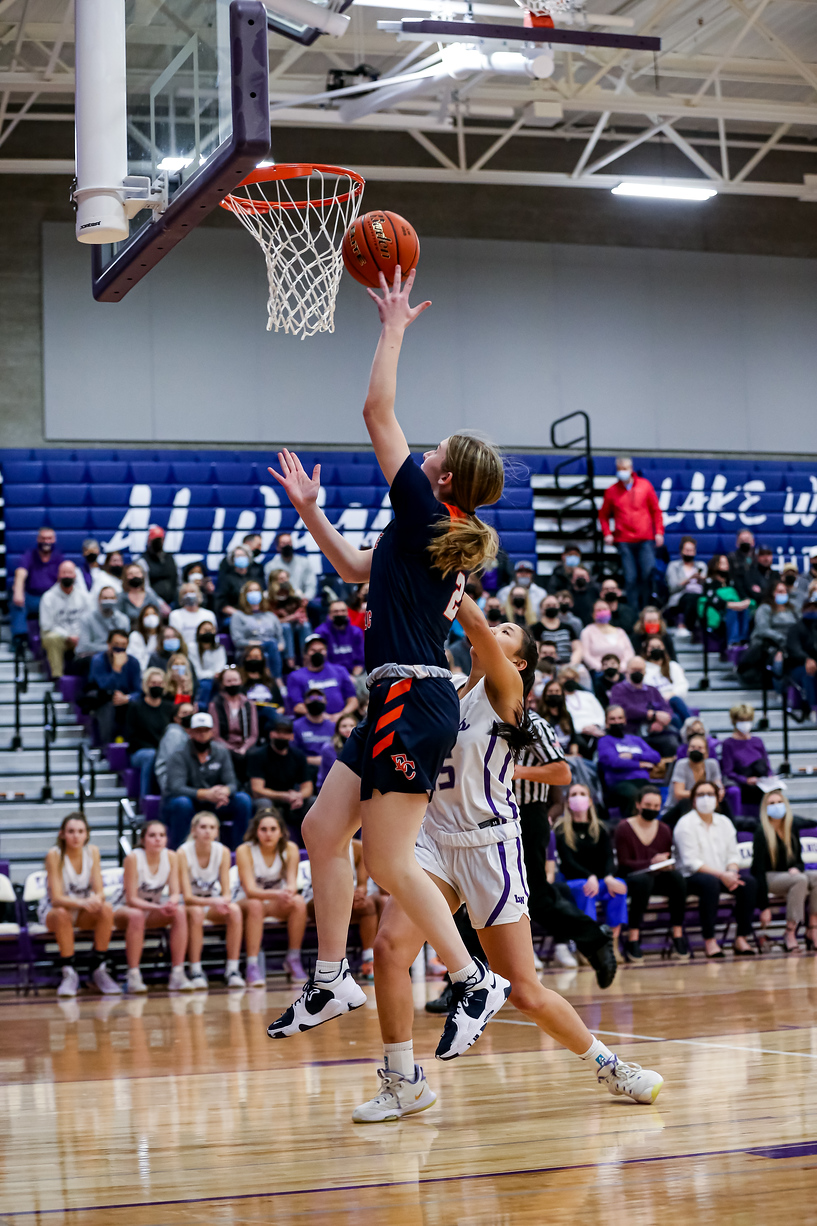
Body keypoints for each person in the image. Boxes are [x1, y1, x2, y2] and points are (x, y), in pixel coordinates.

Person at [267, 268, 512, 1052]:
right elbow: (351, 568)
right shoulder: (422, 531)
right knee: (321, 829)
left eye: (433, 450)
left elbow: (376, 412)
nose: (423, 450)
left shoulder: (428, 510)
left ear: (446, 476)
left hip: (413, 696)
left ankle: (473, 977)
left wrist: (393, 326)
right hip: (395, 696)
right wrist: (311, 513)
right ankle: (331, 977)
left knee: (387, 857)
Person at [352, 595, 659, 1121]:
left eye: (507, 630)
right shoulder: (445, 689)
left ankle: (611, 1066)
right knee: (388, 949)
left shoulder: (506, 693)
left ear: (517, 662)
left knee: (524, 991)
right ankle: (403, 1081)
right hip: (433, 841)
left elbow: (471, 621)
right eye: (496, 624)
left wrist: (443, 572)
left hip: (489, 846)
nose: (494, 628)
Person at [513, 696, 618, 986]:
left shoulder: (533, 724)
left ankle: (593, 938)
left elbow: (562, 772)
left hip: (527, 815)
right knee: (480, 897)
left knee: (536, 896)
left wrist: (515, 771)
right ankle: (464, 981)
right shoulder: (481, 720)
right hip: (491, 816)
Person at [673, 780, 758, 957]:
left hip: (723, 875)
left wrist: (732, 873)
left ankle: (741, 938)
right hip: (692, 877)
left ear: (717, 799)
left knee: (748, 884)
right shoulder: (685, 824)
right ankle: (709, 940)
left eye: (710, 794)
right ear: (693, 800)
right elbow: (691, 862)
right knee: (709, 884)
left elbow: (733, 854)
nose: (706, 799)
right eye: (701, 795)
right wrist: (722, 875)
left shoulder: (724, 822)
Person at [39, 813, 121, 997]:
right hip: (54, 912)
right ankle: (69, 972)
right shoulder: (54, 855)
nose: (76, 836)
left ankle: (98, 969)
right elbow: (56, 898)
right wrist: (84, 902)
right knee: (62, 913)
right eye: (71, 831)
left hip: (82, 910)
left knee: (106, 909)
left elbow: (100, 891)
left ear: (87, 834)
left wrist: (96, 899)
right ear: (62, 834)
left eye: (80, 831)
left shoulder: (93, 852)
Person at [113, 820, 193, 993]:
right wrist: (158, 908)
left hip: (150, 909)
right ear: (143, 840)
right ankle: (133, 975)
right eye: (152, 835)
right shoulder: (133, 858)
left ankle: (178, 974)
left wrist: (171, 903)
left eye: (162, 835)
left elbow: (175, 892)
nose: (158, 839)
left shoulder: (171, 857)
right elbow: (131, 899)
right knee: (136, 915)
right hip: (122, 909)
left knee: (179, 911)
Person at [614, 786, 689, 961]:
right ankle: (633, 936)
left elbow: (665, 857)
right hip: (631, 879)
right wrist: (651, 863)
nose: (652, 809)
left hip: (655, 877)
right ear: (638, 804)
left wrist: (665, 864)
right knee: (643, 881)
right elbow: (624, 863)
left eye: (656, 806)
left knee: (677, 879)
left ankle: (677, 933)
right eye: (648, 805)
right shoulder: (624, 828)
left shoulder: (664, 829)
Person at [235, 809, 307, 985]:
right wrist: (278, 893)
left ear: (281, 832)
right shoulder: (244, 850)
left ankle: (293, 958)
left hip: (274, 902)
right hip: (246, 901)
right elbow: (250, 890)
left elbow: (292, 883)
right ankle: (252, 965)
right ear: (256, 831)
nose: (268, 834)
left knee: (298, 902)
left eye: (273, 829)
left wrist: (288, 892)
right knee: (255, 904)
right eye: (263, 829)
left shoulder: (290, 848)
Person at [162, 712, 252, 849]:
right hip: (190, 802)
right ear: (190, 732)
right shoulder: (179, 753)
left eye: (206, 730)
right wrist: (206, 794)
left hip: (215, 802)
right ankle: (179, 850)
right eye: (198, 731)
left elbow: (232, 783)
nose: (202, 735)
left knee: (243, 800)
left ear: (212, 732)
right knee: (182, 803)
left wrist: (224, 791)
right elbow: (176, 787)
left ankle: (239, 849)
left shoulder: (221, 751)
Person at [554, 783, 628, 949]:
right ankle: (589, 945)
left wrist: (608, 877)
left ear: (590, 801)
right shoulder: (561, 829)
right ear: (567, 802)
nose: (578, 797)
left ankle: (612, 943)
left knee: (619, 886)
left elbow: (609, 857)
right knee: (586, 889)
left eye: (582, 794)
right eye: (574, 794)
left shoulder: (600, 828)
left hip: (600, 880)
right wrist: (590, 876)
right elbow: (568, 863)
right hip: (574, 881)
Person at [177, 811, 246, 988]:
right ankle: (196, 970)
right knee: (197, 913)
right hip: (188, 905)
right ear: (194, 830)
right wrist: (215, 901)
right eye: (203, 827)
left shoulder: (223, 851)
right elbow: (188, 897)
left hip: (211, 901)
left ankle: (232, 969)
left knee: (234, 910)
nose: (207, 831)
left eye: (212, 827)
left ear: (217, 832)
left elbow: (227, 892)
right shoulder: (182, 853)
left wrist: (223, 901)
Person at [751, 790, 817, 953]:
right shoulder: (761, 832)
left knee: (815, 877)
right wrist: (764, 907)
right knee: (800, 880)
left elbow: (799, 861)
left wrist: (797, 868)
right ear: (765, 808)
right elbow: (758, 870)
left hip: (789, 875)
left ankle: (813, 927)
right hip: (769, 877)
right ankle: (790, 931)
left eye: (779, 802)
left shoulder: (791, 827)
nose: (776, 806)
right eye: (772, 803)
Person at [598, 458, 663, 611]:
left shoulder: (645, 486)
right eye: (619, 468)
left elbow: (656, 511)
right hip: (624, 540)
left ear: (631, 468)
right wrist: (607, 533)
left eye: (625, 468)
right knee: (630, 578)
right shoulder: (612, 491)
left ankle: (648, 610)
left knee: (648, 575)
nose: (622, 471)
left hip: (645, 538)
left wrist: (659, 532)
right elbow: (603, 515)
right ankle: (633, 612)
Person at [247, 719, 313, 837]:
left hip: (292, 799)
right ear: (271, 734)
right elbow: (257, 790)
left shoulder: (298, 756)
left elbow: (308, 787)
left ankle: (314, 842)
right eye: (278, 732)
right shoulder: (258, 755)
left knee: (313, 802)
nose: (282, 736)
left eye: (286, 733)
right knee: (264, 803)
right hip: (268, 798)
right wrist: (284, 796)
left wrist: (299, 796)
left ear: (292, 736)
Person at [597, 704, 661, 815]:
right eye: (612, 719)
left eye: (620, 718)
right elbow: (615, 762)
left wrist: (633, 756)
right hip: (620, 782)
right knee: (634, 795)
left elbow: (656, 756)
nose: (617, 722)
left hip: (642, 780)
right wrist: (640, 764)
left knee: (653, 796)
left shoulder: (635, 739)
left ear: (625, 720)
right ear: (606, 723)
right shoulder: (604, 741)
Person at [609, 657, 678, 758]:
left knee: (672, 741)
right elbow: (624, 709)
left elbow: (666, 709)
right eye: (634, 670)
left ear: (645, 672)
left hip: (654, 732)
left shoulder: (652, 690)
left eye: (640, 670)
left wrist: (659, 722)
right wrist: (651, 714)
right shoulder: (618, 689)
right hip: (630, 733)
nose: (637, 672)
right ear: (627, 671)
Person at [286, 632, 358, 723]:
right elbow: (297, 706)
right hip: (313, 721)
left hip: (340, 721)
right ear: (306, 653)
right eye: (313, 650)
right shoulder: (295, 676)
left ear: (326, 651)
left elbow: (353, 699)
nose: (317, 653)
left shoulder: (340, 671)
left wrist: (341, 715)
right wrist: (322, 716)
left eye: (321, 650)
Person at [125, 668, 175, 798]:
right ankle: (145, 798)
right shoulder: (135, 707)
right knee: (150, 755)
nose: (157, 686)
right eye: (153, 683)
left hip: (163, 751)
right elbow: (131, 737)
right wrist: (156, 750)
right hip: (140, 752)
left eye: (160, 683)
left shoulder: (169, 708)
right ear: (146, 684)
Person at [738, 579, 797, 688]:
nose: (783, 594)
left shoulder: (792, 609)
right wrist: (781, 638)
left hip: (791, 644)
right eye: (779, 591)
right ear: (772, 593)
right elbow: (763, 630)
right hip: (770, 645)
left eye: (784, 591)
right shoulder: (765, 608)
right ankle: (779, 688)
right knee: (780, 661)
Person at [10, 526, 64, 644]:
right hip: (32, 598)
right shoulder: (30, 555)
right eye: (43, 538)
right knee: (17, 601)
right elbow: (21, 572)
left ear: (54, 540)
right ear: (38, 539)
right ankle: (20, 638)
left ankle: (57, 638)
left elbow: (62, 577)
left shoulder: (58, 556)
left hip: (51, 598)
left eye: (49, 538)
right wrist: (18, 592)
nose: (46, 541)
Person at [88, 627, 141, 745]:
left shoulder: (133, 662)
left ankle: (131, 747)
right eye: (116, 644)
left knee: (136, 707)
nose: (120, 648)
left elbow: (138, 691)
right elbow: (104, 685)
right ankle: (106, 747)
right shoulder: (98, 660)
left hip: (126, 701)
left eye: (123, 645)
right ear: (109, 644)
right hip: (102, 699)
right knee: (108, 707)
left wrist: (127, 698)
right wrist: (117, 668)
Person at [38, 561, 90, 678]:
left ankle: (88, 680)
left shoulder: (84, 596)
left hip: (80, 636)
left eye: (69, 573)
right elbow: (46, 625)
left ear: (75, 575)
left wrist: (78, 635)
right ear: (58, 575)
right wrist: (68, 636)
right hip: (59, 636)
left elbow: (88, 620)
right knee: (51, 638)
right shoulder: (48, 597)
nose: (67, 576)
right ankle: (57, 677)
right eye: (64, 572)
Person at [208, 666, 259, 783]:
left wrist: (243, 748)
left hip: (245, 746)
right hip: (224, 746)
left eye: (235, 680)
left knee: (254, 754)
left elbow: (253, 734)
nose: (232, 684)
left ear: (241, 681)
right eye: (229, 681)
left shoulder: (249, 704)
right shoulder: (215, 704)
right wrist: (232, 749)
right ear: (223, 684)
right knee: (222, 752)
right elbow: (215, 735)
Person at [665, 732, 724, 827]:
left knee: (723, 803)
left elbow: (718, 786)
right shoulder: (681, 764)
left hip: (703, 806)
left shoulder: (712, 764)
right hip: (677, 808)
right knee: (686, 802)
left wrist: (720, 791)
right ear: (688, 750)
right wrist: (705, 794)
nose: (695, 750)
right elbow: (679, 794)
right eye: (692, 747)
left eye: (700, 748)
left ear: (706, 752)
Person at [229, 580, 285, 679]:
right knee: (270, 644)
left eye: (256, 590)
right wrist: (259, 643)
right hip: (248, 650)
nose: (254, 593)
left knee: (272, 645)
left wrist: (280, 644)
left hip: (272, 649)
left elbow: (280, 637)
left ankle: (276, 679)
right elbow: (238, 641)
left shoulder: (270, 615)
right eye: (250, 591)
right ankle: (277, 680)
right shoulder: (238, 616)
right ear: (244, 595)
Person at [721, 703, 771, 813]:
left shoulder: (757, 741)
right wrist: (746, 780)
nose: (745, 723)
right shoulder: (728, 743)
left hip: (761, 782)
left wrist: (770, 777)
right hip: (743, 784)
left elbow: (767, 765)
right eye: (741, 720)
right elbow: (728, 771)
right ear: (734, 721)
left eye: (748, 719)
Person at [698, 555, 754, 647]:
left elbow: (742, 596)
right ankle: (733, 642)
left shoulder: (731, 581)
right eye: (722, 563)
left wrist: (744, 602)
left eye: (727, 563)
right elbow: (713, 600)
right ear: (715, 565)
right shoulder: (709, 582)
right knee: (732, 611)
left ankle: (744, 641)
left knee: (745, 610)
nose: (726, 565)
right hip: (719, 612)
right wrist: (732, 605)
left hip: (738, 608)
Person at [663, 536, 706, 635]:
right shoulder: (673, 566)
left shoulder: (701, 566)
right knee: (691, 598)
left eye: (691, 550)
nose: (689, 553)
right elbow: (673, 587)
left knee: (698, 599)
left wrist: (701, 580)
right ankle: (688, 627)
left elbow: (707, 586)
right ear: (681, 551)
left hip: (699, 596)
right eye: (687, 550)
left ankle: (688, 628)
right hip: (680, 597)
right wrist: (689, 579)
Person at [77, 584, 130, 663]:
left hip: (117, 657)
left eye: (111, 598)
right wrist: (109, 648)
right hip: (93, 658)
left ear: (116, 600)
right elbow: (82, 647)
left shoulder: (123, 619)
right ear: (99, 599)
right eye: (105, 598)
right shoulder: (87, 618)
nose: (108, 601)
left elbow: (126, 645)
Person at [643, 635, 690, 725]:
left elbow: (683, 685)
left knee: (675, 701)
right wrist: (662, 698)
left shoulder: (673, 666)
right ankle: (693, 726)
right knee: (675, 718)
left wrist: (671, 695)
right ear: (647, 650)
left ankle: (692, 725)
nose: (656, 649)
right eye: (652, 647)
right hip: (656, 704)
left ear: (664, 648)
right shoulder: (644, 667)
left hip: (674, 700)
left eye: (658, 647)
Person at [579, 601, 634, 675]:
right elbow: (585, 654)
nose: (602, 612)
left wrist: (620, 667)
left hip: (621, 672)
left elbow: (629, 653)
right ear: (593, 614)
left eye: (605, 609)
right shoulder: (587, 632)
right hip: (598, 672)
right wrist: (602, 668)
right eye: (599, 610)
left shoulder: (620, 632)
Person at [558, 667, 606, 751]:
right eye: (567, 678)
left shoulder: (588, 695)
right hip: (575, 733)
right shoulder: (559, 699)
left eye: (573, 678)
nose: (570, 681)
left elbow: (601, 714)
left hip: (595, 729)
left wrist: (595, 726)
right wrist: (582, 729)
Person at [314, 599, 366, 676]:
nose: (340, 614)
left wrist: (355, 675)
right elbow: (322, 661)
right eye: (336, 611)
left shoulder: (356, 632)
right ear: (329, 614)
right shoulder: (321, 632)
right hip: (330, 674)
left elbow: (360, 661)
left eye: (343, 611)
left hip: (354, 675)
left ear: (347, 613)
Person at [154, 701, 196, 795]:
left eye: (191, 713)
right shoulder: (174, 733)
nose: (189, 716)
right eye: (184, 713)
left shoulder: (192, 734)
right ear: (176, 718)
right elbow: (173, 763)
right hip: (170, 780)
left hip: (186, 778)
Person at [785, 598, 817, 718]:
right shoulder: (795, 628)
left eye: (815, 608)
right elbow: (794, 649)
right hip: (798, 666)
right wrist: (807, 659)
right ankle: (813, 708)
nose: (813, 610)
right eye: (810, 608)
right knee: (809, 672)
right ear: (803, 609)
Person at [531, 596, 583, 668]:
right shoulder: (535, 628)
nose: (552, 607)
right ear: (541, 608)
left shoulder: (568, 627)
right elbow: (535, 651)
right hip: (545, 665)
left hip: (568, 665)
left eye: (554, 605)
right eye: (548, 605)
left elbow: (578, 649)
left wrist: (572, 664)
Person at [264, 531, 317, 600]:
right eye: (283, 543)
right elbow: (271, 587)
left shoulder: (304, 563)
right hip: (279, 601)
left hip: (301, 599)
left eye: (289, 543)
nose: (287, 546)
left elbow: (311, 586)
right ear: (278, 547)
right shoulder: (270, 566)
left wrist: (306, 599)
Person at [188, 620, 227, 707]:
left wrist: (214, 674)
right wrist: (212, 674)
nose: (208, 633)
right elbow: (196, 671)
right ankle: (201, 707)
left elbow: (220, 668)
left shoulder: (219, 648)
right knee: (205, 684)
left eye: (210, 630)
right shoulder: (192, 647)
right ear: (198, 632)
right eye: (205, 630)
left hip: (215, 679)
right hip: (198, 679)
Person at [137, 525, 179, 607]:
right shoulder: (143, 561)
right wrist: (159, 603)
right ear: (149, 541)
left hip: (173, 601)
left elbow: (178, 581)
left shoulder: (171, 558)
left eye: (159, 540)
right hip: (152, 603)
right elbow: (145, 587)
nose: (158, 543)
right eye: (155, 540)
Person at [293, 687, 336, 766]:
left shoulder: (333, 726)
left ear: (325, 701)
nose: (316, 700)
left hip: (330, 767)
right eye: (312, 698)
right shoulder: (296, 726)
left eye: (319, 697)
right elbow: (292, 753)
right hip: (305, 767)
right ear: (305, 702)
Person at [118, 563, 166, 627]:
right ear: (126, 577)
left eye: (137, 573)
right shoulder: (121, 597)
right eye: (130, 574)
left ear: (142, 575)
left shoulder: (150, 596)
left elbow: (158, 615)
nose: (134, 576)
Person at [317, 714, 357, 790]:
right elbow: (333, 772)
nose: (348, 729)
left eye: (352, 725)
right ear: (337, 729)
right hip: (332, 787)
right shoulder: (328, 748)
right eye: (344, 726)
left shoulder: (362, 747)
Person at [215, 545, 254, 622]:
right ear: (233, 560)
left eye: (243, 555)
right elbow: (221, 604)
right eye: (238, 556)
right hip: (234, 615)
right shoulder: (226, 579)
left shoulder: (254, 577)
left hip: (254, 613)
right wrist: (238, 614)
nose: (241, 558)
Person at [168, 582, 212, 649]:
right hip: (183, 650)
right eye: (185, 593)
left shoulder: (209, 615)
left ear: (198, 594)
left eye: (192, 592)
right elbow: (175, 638)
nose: (189, 595)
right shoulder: (174, 615)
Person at [127, 604, 162, 672]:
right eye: (147, 615)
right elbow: (133, 656)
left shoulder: (163, 636)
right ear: (142, 619)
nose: (151, 617)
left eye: (153, 614)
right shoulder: (135, 636)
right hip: (139, 671)